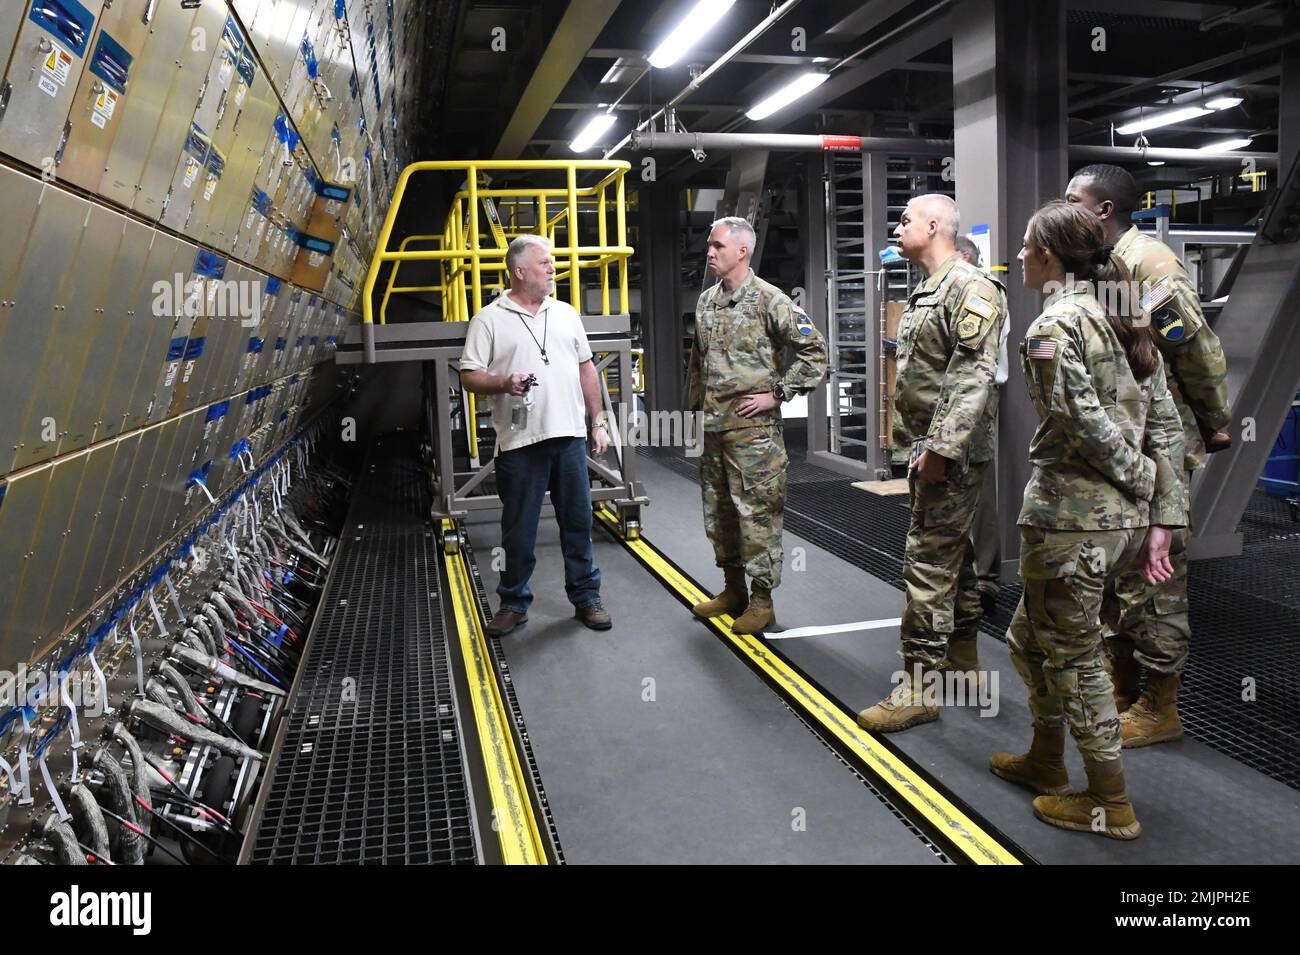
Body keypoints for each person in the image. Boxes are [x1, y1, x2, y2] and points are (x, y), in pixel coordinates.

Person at [991, 199, 1186, 840]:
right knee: (1029, 639)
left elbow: (1082, 424)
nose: (1020, 255)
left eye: (1027, 246)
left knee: (1074, 657)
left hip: (1073, 522)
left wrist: (1141, 481)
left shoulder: (1054, 325)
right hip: (1120, 524)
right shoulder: (1124, 315)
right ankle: (1046, 760)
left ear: (1050, 256)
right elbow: (1165, 423)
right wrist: (1161, 514)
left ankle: (1109, 801)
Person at [1065, 164, 1231, 746]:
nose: (1064, 206)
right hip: (1118, 442)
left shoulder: (1149, 264)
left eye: (1073, 199)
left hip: (1158, 437)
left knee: (1156, 572)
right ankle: (1121, 684)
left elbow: (1194, 348)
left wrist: (1214, 420)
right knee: (1118, 566)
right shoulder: (1097, 266)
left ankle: (1160, 704)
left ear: (1104, 210)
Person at [857, 195, 1007, 733]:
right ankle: (962, 662)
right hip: (929, 448)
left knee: (926, 564)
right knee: (957, 558)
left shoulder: (970, 287)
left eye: (905, 220)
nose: (897, 229)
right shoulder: (929, 289)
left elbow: (972, 378)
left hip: (949, 454)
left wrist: (941, 450)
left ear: (935, 225)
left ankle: (918, 689)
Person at [459, 234, 613, 635]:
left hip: (569, 437)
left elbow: (586, 368)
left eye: (552, 262)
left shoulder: (566, 313)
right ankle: (513, 603)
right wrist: (503, 383)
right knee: (519, 530)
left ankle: (586, 597)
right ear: (520, 270)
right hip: (520, 442)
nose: (552, 269)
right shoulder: (488, 319)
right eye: (545, 263)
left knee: (578, 523)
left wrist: (597, 422)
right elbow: (469, 376)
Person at [685, 216, 827, 635]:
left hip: (754, 435)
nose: (710, 252)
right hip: (715, 429)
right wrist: (694, 410)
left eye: (718, 246)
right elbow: (699, 362)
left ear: (742, 251)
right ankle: (734, 590)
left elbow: (815, 353)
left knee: (757, 516)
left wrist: (778, 393)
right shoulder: (707, 300)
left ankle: (762, 601)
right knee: (720, 514)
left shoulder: (770, 300)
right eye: (710, 245)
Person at [956, 235, 1010, 617]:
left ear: (963, 257)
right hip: (953, 402)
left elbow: (972, 363)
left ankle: (985, 580)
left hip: (976, 399)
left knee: (979, 491)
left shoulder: (981, 293)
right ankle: (963, 577)